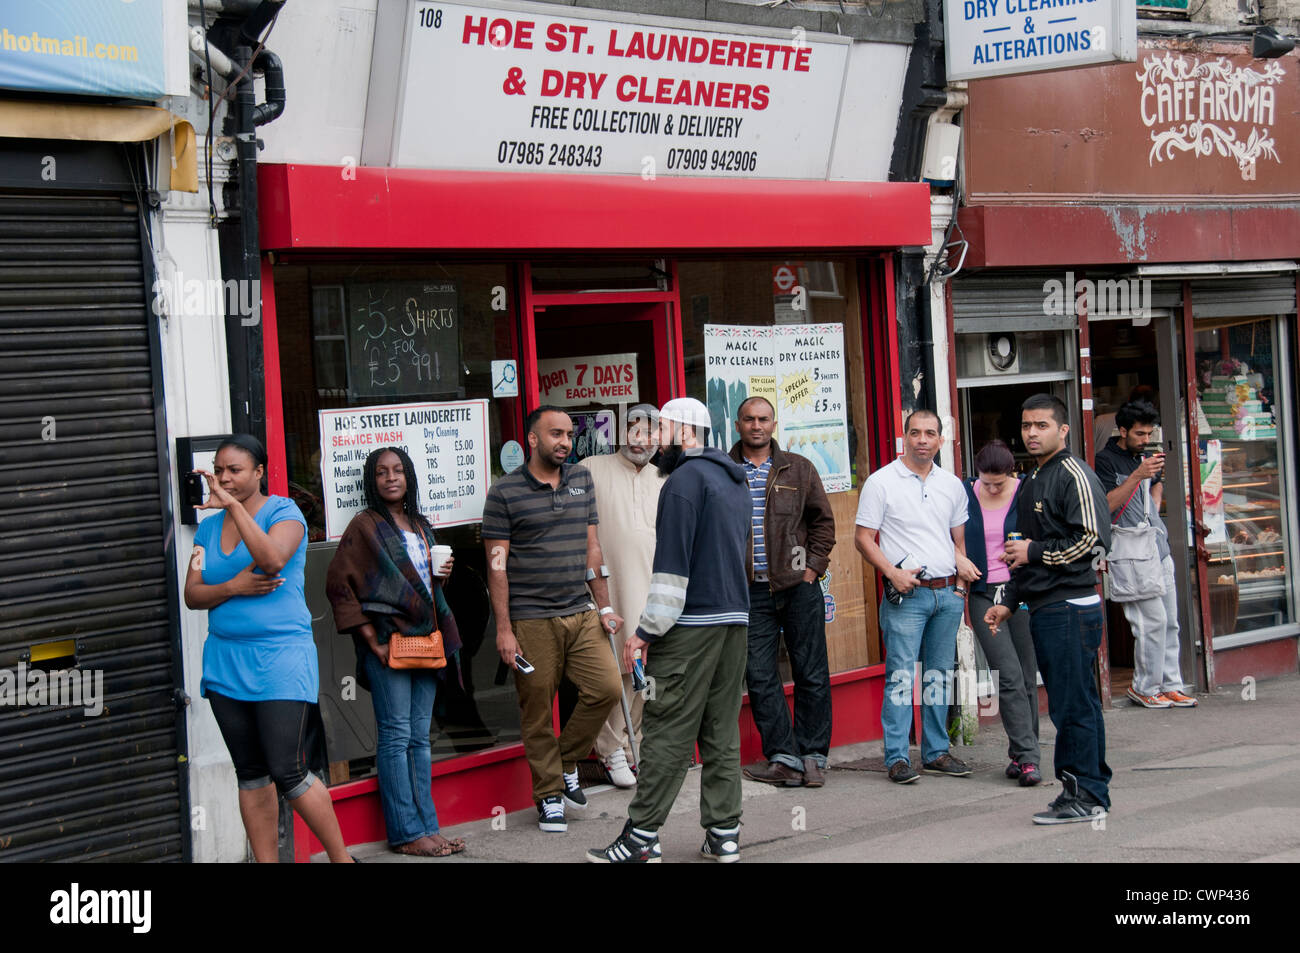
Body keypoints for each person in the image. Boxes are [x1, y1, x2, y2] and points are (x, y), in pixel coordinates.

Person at [588, 397, 752, 863]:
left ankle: (641, 837)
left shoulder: (681, 482)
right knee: (721, 731)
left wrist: (643, 634)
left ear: (683, 432)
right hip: (733, 621)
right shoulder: (732, 479)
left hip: (689, 626)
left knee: (664, 731)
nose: (652, 438)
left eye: (660, 428)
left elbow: (671, 571)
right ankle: (724, 834)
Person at [183, 434, 354, 862]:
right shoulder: (206, 528)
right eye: (219, 470)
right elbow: (193, 594)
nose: (224, 478)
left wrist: (235, 508)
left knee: (289, 770)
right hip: (225, 659)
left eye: (234, 470)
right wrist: (234, 586)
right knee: (252, 774)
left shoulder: (285, 512)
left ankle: (340, 859)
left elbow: (274, 559)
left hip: (280, 657)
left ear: (259, 472)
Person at [482, 406, 623, 833]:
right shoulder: (504, 494)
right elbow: (497, 565)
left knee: (607, 687)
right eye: (555, 434)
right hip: (531, 618)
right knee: (538, 710)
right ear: (532, 439)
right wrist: (504, 630)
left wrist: (604, 605)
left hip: (579, 610)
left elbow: (592, 548)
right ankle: (548, 797)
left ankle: (564, 762)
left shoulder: (581, 479)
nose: (564, 441)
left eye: (568, 434)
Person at [325, 447, 467, 857]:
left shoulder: (421, 526)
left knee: (420, 739)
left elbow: (423, 587)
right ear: (372, 480)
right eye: (382, 472)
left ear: (409, 477)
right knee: (395, 736)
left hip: (425, 641)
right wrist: (373, 641)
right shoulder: (365, 526)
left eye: (398, 471)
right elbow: (339, 587)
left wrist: (442, 575)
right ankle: (406, 833)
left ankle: (429, 827)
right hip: (389, 644)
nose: (391, 477)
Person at [985, 394, 1113, 825]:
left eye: (1041, 425)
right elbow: (1021, 555)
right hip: (1046, 607)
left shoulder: (1073, 474)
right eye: (1026, 426)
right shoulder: (1035, 478)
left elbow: (1093, 541)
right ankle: (1086, 790)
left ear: (1063, 429)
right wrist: (1008, 603)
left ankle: (1085, 795)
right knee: (1072, 704)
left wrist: (1035, 550)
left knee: (1073, 706)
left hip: (1071, 607)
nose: (1032, 433)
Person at [855, 409, 981, 784]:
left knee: (939, 676)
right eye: (915, 433)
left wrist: (960, 588)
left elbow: (957, 541)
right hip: (907, 596)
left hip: (947, 594)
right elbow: (862, 538)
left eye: (930, 433)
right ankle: (896, 757)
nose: (922, 439)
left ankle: (935, 752)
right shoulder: (881, 483)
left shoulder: (952, 485)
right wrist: (891, 573)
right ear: (904, 438)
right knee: (900, 677)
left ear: (941, 440)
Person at [730, 396, 837, 788]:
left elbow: (823, 524)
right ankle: (784, 757)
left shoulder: (799, 468)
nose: (756, 425)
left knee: (810, 671)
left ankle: (812, 756)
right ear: (738, 424)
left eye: (763, 419)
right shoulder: (725, 471)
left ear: (773, 424)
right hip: (749, 591)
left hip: (797, 587)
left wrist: (812, 569)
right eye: (749, 419)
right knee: (758, 674)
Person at [580, 405, 666, 788]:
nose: (641, 439)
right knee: (615, 673)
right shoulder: (591, 469)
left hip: (653, 589)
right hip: (607, 590)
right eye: (634, 429)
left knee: (646, 672)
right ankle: (610, 747)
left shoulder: (665, 477)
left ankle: (633, 748)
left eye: (650, 433)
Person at [1093, 400, 1196, 709]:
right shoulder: (1105, 460)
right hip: (1129, 548)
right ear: (1122, 430)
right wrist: (1138, 475)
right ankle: (1144, 686)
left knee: (1170, 621)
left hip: (1156, 545)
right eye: (1139, 433)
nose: (1145, 439)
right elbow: (1106, 506)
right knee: (1150, 621)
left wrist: (1151, 504)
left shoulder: (1146, 457)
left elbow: (1157, 488)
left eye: (1149, 433)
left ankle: (1170, 684)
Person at [963, 440, 1042, 786]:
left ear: (1012, 474)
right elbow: (946, 536)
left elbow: (1043, 537)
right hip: (983, 593)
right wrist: (959, 560)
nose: (991, 489)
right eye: (986, 482)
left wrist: (1028, 551)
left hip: (1021, 591)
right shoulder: (965, 492)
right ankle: (1028, 759)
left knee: (1026, 675)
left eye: (999, 483)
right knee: (1007, 674)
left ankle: (1023, 754)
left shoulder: (1027, 492)